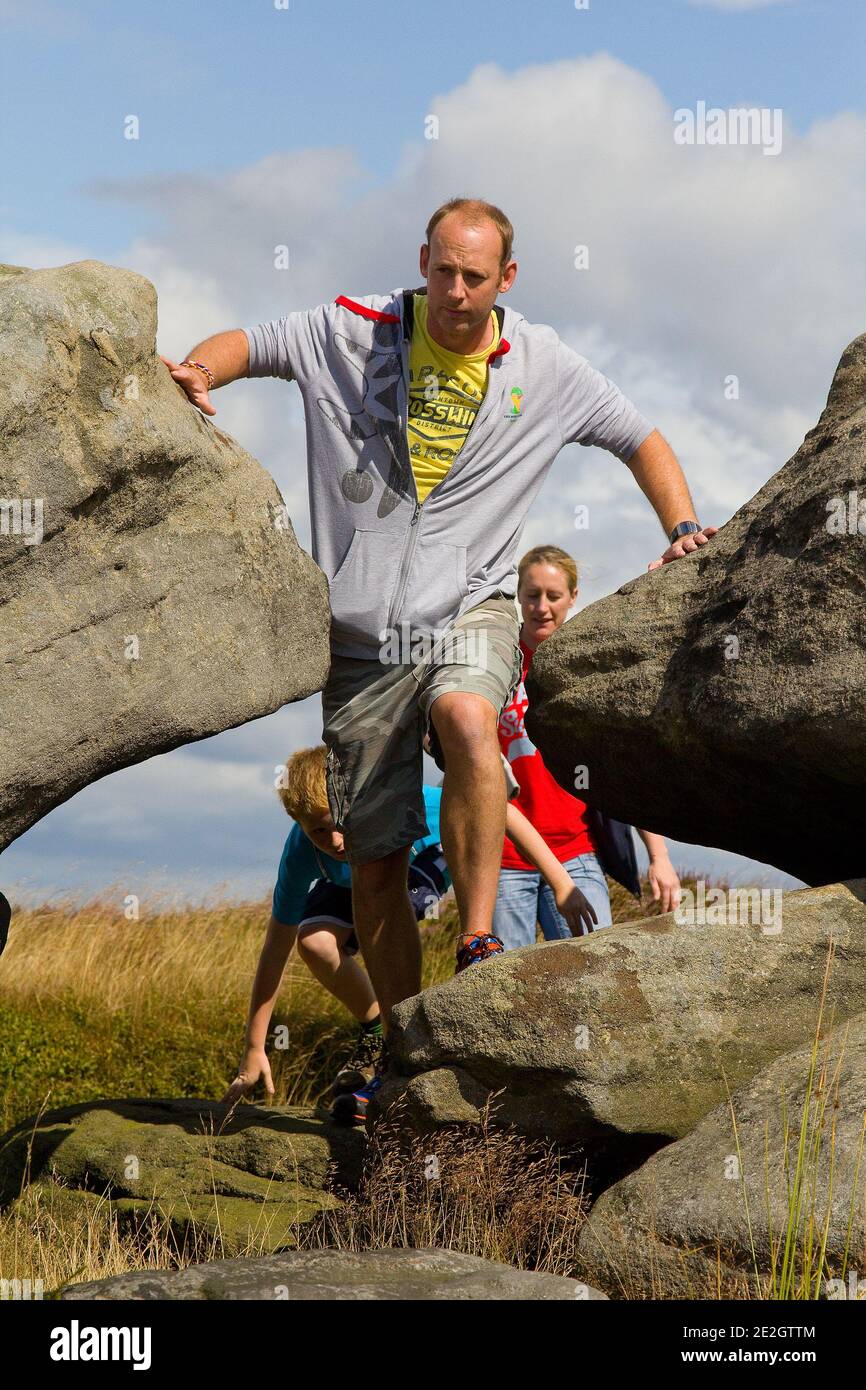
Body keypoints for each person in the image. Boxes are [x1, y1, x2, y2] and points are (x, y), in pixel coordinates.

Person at [163, 197, 716, 1101]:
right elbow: (250, 344)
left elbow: (640, 437)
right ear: (423, 259)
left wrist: (684, 527)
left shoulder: (544, 365)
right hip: (362, 642)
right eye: (442, 270)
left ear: (507, 278)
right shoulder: (353, 330)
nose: (454, 292)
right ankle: (408, 1048)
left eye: (474, 276)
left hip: (472, 608)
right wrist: (197, 370)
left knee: (467, 713)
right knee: (374, 864)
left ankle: (478, 935)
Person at [222, 743, 596, 1127]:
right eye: (319, 830)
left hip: (419, 858)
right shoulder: (302, 851)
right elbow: (276, 946)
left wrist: (562, 884)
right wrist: (255, 1046)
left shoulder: (409, 802)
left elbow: (500, 812)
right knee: (313, 940)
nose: (334, 839)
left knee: (385, 908)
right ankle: (375, 1030)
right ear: (298, 823)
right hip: (353, 877)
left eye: (340, 822)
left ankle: (397, 1043)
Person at [495, 545, 682, 950]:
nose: (541, 607)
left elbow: (620, 767)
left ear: (573, 597)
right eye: (531, 595)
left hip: (576, 852)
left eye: (553, 595)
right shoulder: (494, 668)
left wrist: (659, 856)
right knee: (502, 993)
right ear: (518, 595)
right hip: (503, 862)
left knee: (597, 976)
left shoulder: (587, 669)